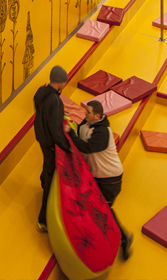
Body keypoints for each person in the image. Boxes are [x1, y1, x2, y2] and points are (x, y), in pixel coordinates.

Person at [68, 100, 133, 260]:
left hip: (110, 180)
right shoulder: (87, 123)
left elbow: (87, 147)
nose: (85, 115)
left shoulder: (103, 133)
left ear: (97, 115)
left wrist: (69, 133)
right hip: (99, 178)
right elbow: (79, 134)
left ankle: (124, 238)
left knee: (105, 211)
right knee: (95, 209)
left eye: (88, 112)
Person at [33, 64, 71, 232]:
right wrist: (67, 146)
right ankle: (43, 220)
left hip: (41, 137)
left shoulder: (41, 91)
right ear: (61, 83)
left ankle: (43, 179)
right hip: (49, 143)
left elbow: (43, 113)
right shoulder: (56, 101)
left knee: (46, 165)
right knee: (50, 174)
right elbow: (56, 132)